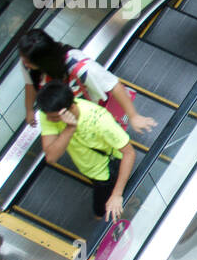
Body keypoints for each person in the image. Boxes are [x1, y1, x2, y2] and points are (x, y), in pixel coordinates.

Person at [19, 28, 156, 134]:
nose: (24, 63)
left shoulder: (78, 66)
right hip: (74, 116)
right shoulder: (31, 66)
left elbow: (113, 85)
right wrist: (29, 109)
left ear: (43, 60)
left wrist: (133, 116)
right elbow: (30, 84)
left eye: (28, 61)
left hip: (94, 113)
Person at [36, 82, 135, 222]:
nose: (48, 120)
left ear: (69, 108)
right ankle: (130, 199)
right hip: (89, 169)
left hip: (105, 172)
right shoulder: (48, 113)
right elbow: (51, 157)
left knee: (101, 213)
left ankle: (125, 204)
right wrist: (69, 128)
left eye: (53, 117)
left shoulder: (99, 120)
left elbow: (129, 153)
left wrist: (117, 195)